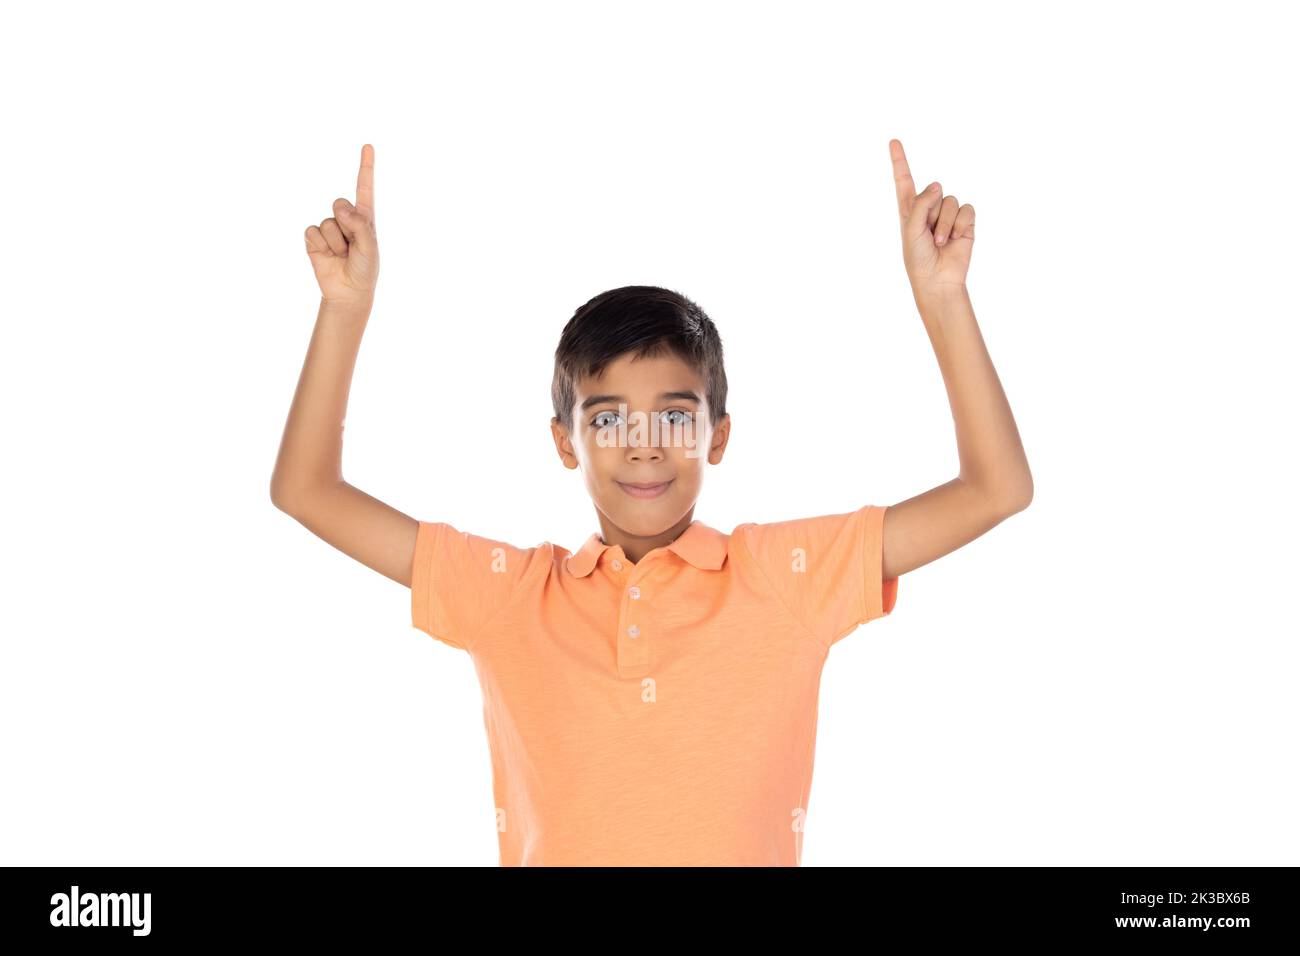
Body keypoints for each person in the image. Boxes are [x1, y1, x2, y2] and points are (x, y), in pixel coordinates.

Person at [270, 141, 1033, 866]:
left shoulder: (782, 576)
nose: (644, 445)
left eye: (674, 416)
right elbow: (306, 490)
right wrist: (344, 309)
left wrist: (943, 300)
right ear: (565, 442)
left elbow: (996, 489)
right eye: (608, 420)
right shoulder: (508, 593)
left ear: (717, 435)